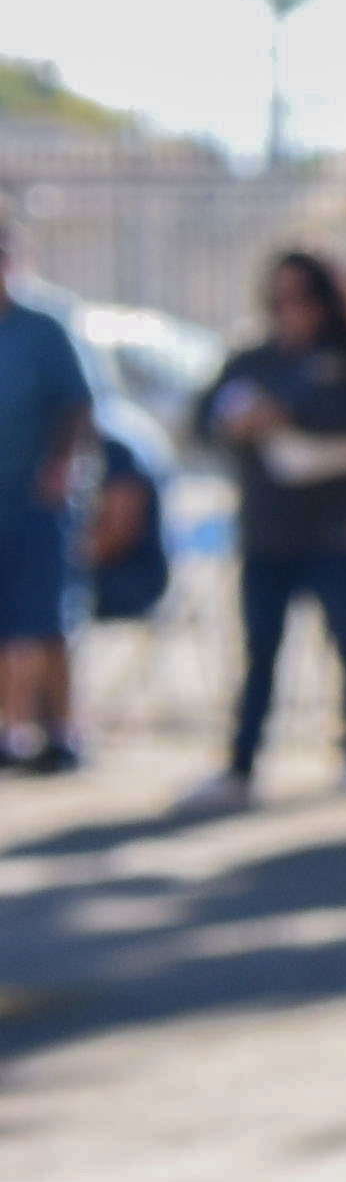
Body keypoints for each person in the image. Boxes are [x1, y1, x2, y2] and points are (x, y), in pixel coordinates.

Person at [191, 245, 346, 800]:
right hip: (269, 530)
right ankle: (242, 764)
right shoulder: (252, 358)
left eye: (303, 297)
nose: (290, 309)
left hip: (343, 531)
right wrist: (236, 424)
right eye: (279, 297)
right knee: (260, 649)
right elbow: (202, 418)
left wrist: (290, 418)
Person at [0, 201, 90, 780]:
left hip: (34, 500)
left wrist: (60, 465)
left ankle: (54, 730)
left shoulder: (42, 329)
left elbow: (78, 405)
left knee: (41, 623)